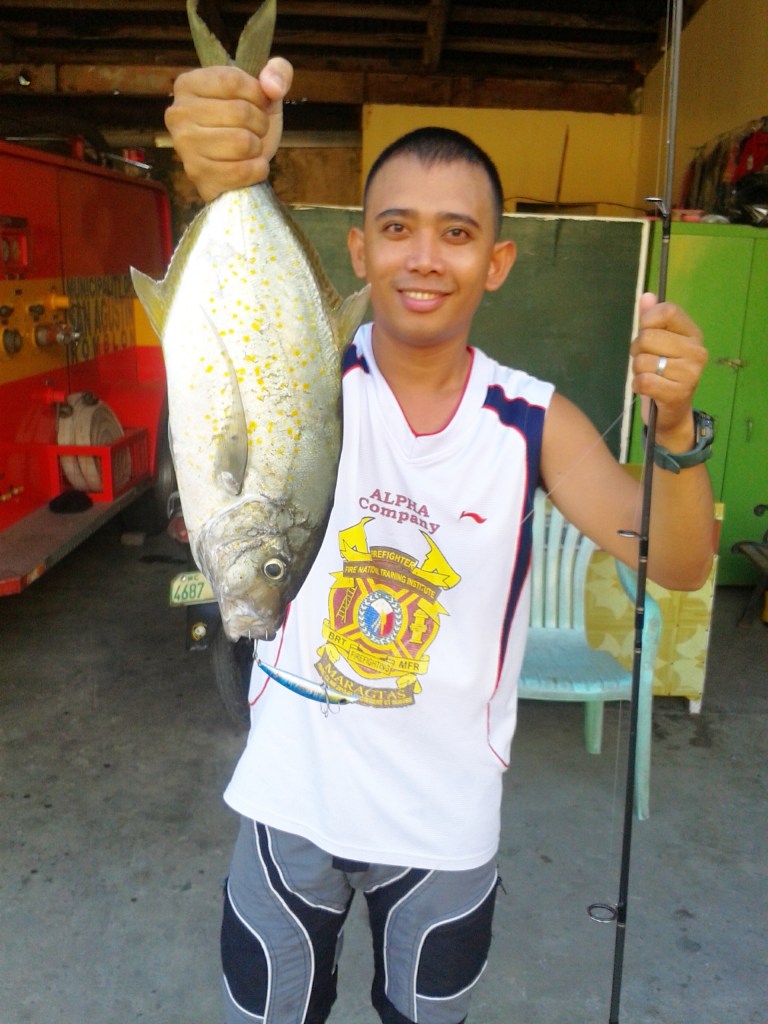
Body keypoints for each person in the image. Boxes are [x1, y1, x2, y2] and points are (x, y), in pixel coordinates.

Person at [165, 58, 715, 1024]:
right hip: (288, 806)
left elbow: (675, 560)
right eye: (397, 228)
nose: (425, 257)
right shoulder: (296, 373)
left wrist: (675, 431)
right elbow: (212, 346)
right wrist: (220, 173)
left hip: (443, 830)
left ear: (495, 262)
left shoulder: (534, 420)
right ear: (360, 249)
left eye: (456, 233)